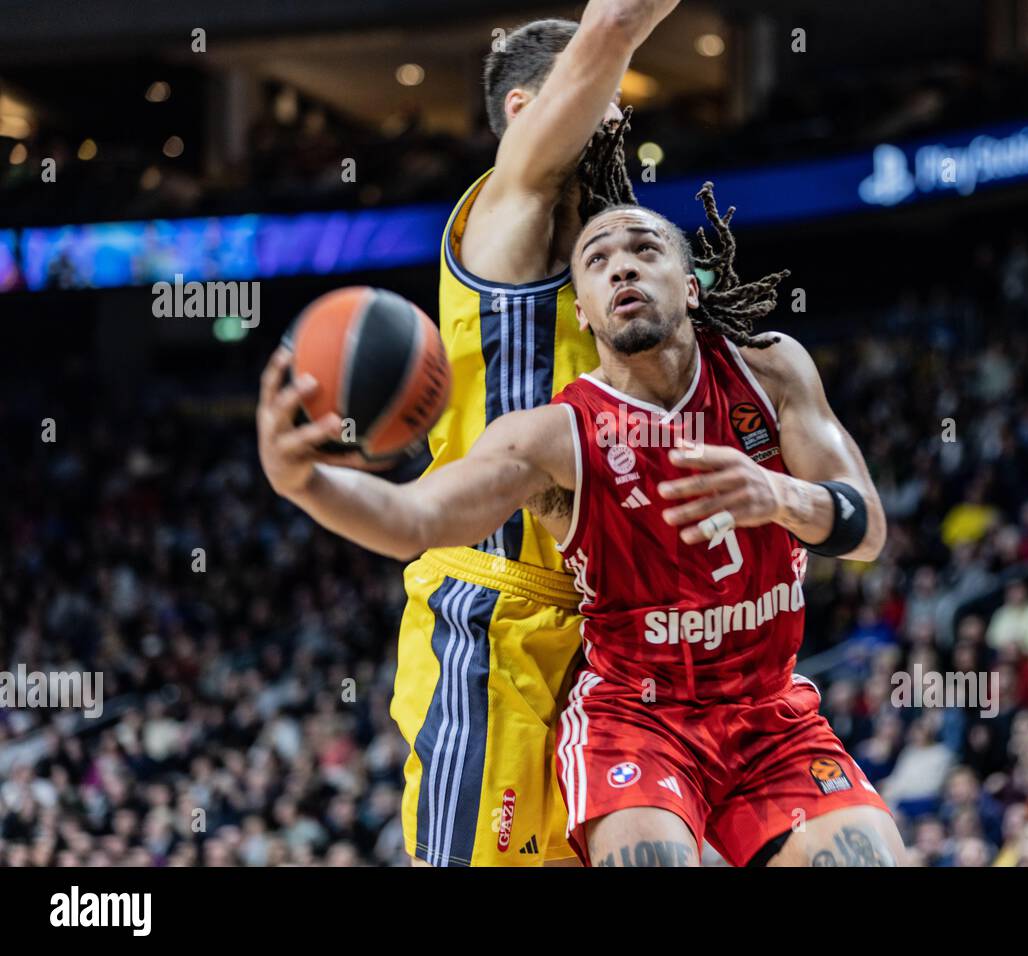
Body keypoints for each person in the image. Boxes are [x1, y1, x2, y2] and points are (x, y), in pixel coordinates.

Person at [256, 189, 905, 866]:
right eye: (598, 261)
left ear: (690, 288)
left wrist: (778, 493)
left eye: (644, 250)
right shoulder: (555, 436)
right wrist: (306, 483)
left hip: (769, 715)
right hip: (639, 723)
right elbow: (416, 517)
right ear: (583, 312)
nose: (622, 268)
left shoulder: (769, 369)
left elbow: (869, 531)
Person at [385, 3, 678, 866]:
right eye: (603, 103)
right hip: (494, 620)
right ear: (526, 113)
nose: (619, 125)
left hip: (612, 632)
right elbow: (616, 20)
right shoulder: (509, 210)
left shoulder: (614, 277)